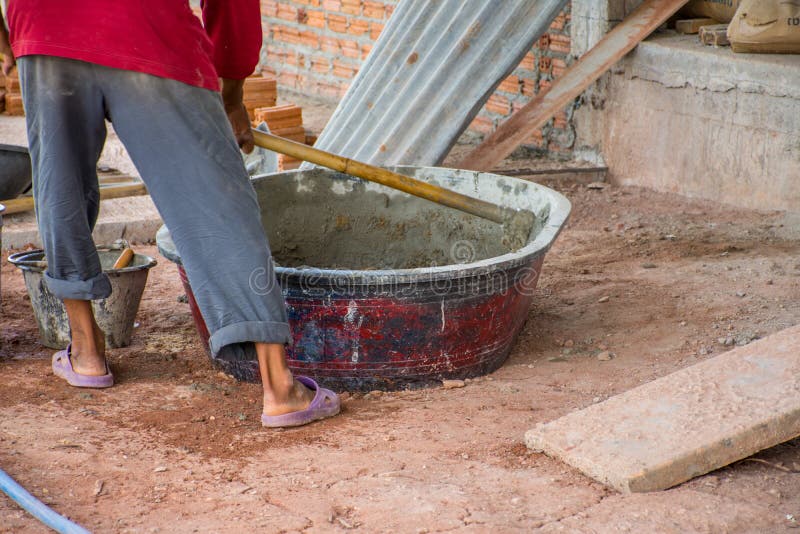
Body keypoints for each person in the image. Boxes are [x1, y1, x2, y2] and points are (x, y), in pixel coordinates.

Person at [0, 1, 339, 428]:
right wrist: (232, 94)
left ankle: (86, 353)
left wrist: (10, 40)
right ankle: (279, 386)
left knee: (59, 185)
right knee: (215, 200)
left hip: (45, 23)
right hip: (147, 25)